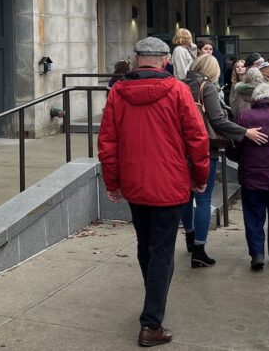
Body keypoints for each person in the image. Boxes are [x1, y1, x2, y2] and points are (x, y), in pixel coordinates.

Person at [98, 36, 210, 348]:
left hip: (135, 184)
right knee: (161, 250)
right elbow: (197, 138)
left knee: (146, 245)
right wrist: (200, 176)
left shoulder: (118, 92)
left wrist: (113, 182)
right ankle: (151, 322)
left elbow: (107, 143)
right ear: (164, 60)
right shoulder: (177, 90)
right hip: (171, 184)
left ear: (137, 60)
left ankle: (152, 304)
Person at [181, 55, 268, 268]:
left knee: (185, 197)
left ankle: (190, 237)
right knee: (203, 199)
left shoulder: (179, 84)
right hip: (204, 148)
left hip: (180, 149)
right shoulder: (207, 87)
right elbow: (218, 120)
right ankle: (199, 250)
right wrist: (244, 132)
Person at [235, 82, 269, 270]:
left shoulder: (244, 116)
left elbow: (235, 145)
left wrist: (241, 159)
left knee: (253, 217)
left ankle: (257, 254)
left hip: (251, 175)